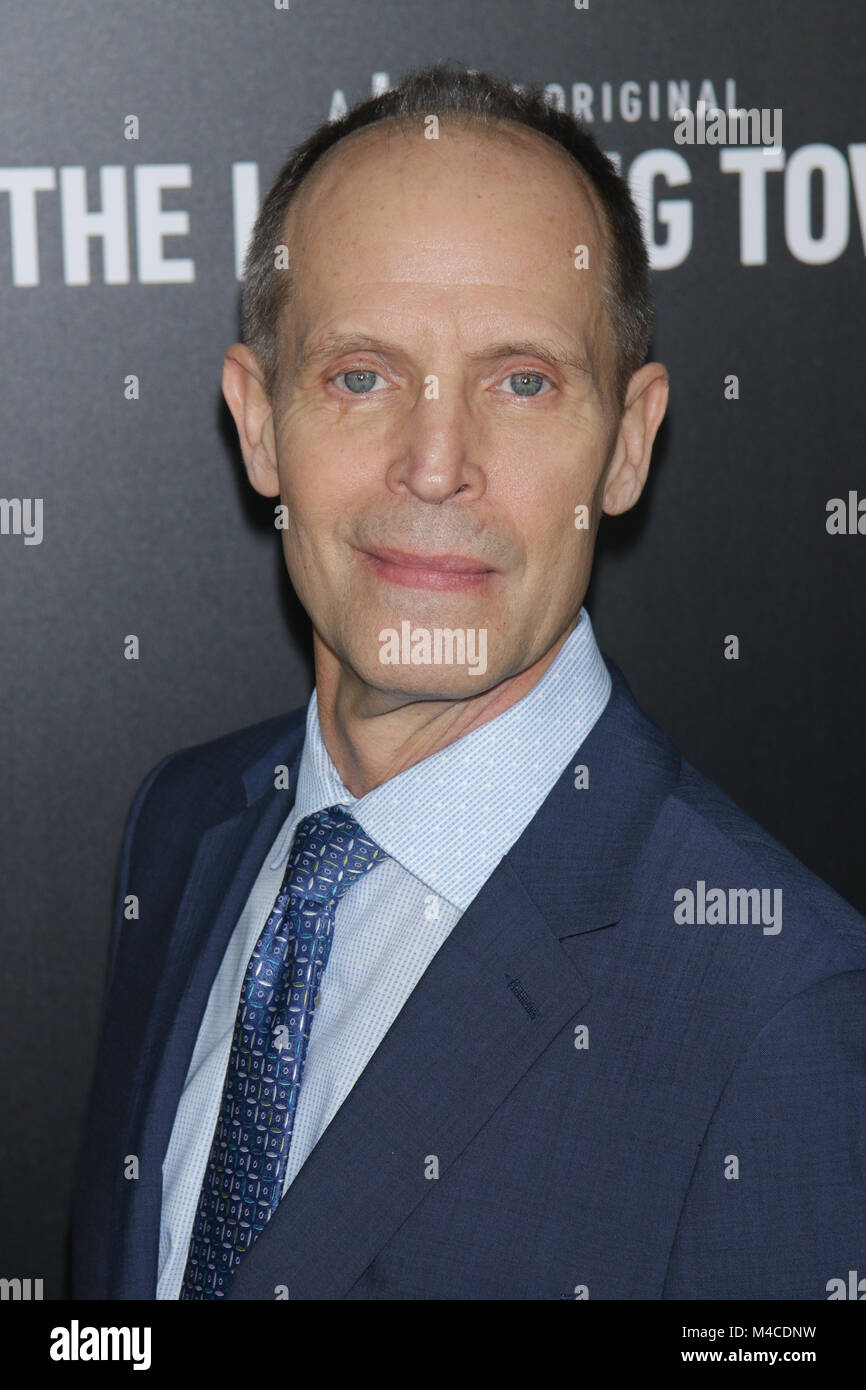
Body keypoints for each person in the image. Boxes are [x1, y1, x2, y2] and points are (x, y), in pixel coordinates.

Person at [69, 63, 866, 1301]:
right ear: (258, 420)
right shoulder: (181, 826)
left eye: (522, 381)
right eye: (360, 375)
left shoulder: (779, 1011)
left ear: (629, 443)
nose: (434, 464)